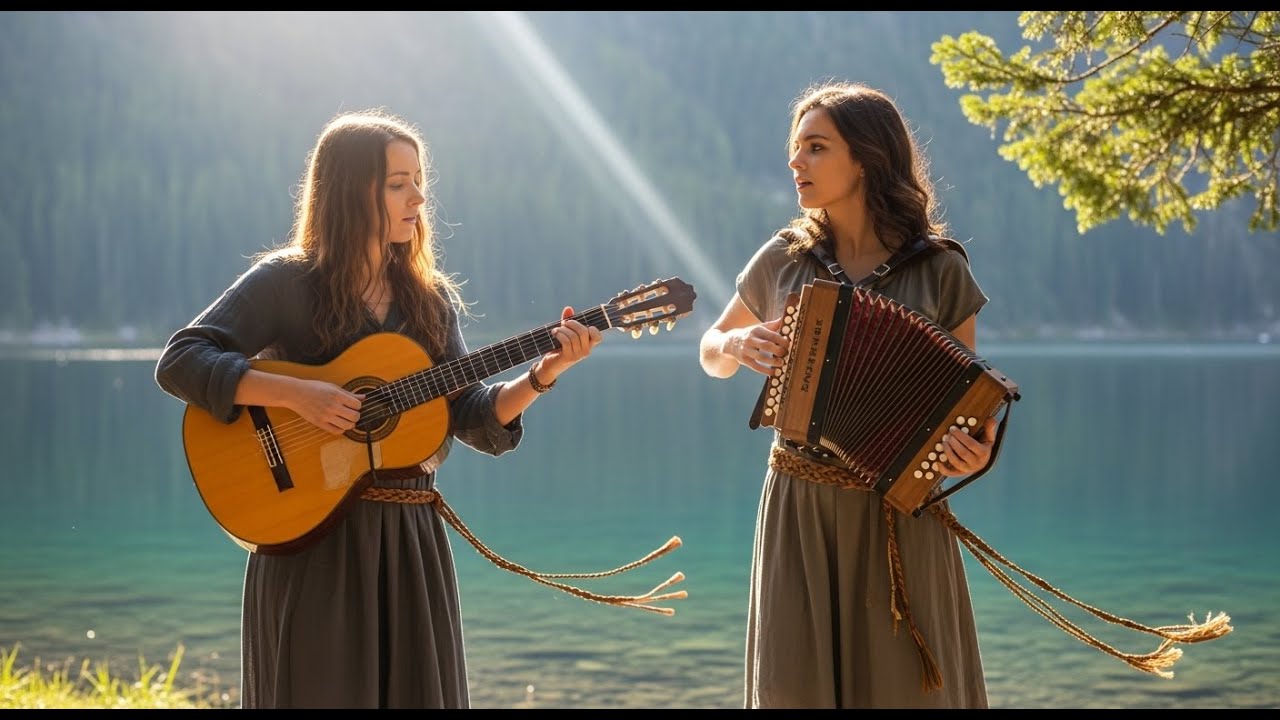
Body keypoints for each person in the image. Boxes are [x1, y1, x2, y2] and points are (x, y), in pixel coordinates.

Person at [154, 108, 603, 708]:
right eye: (398, 183)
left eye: (419, 180)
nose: (418, 197)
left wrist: (544, 374)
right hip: (312, 540)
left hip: (408, 542)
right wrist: (298, 395)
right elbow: (181, 359)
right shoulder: (286, 282)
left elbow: (469, 414)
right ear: (349, 190)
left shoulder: (430, 299)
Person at [699, 81, 996, 708]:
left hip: (903, 510)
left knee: (906, 692)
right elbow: (709, 349)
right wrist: (736, 344)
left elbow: (971, 401)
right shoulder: (784, 258)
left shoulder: (941, 269)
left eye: (815, 147)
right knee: (793, 688)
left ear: (865, 158)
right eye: (795, 147)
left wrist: (977, 451)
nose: (795, 163)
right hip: (800, 507)